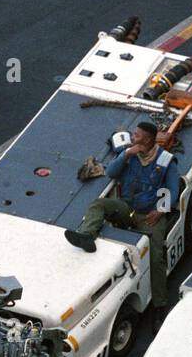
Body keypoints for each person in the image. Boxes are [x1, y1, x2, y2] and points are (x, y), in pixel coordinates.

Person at [65, 120, 179, 331]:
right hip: (127, 208)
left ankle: (159, 308)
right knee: (98, 205)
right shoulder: (130, 154)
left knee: (156, 257)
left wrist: (160, 210)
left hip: (149, 215)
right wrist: (126, 155)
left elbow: (172, 189)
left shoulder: (165, 161)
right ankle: (87, 236)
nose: (133, 138)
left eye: (136, 136)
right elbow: (111, 173)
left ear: (146, 140)